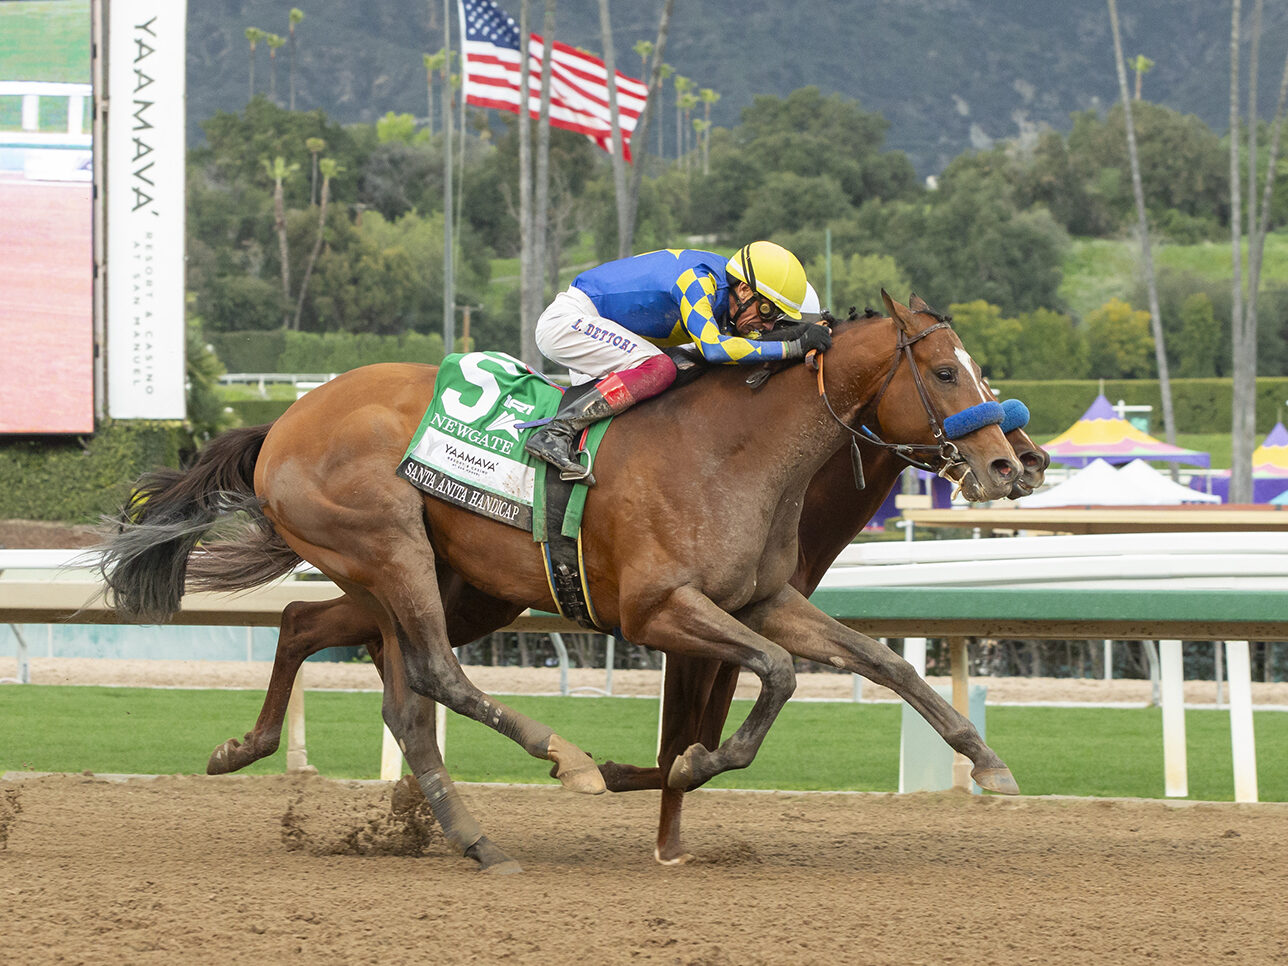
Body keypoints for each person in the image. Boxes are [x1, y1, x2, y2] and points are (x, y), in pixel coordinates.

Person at [524, 241, 832, 484]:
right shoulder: (697, 279)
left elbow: (742, 347)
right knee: (660, 368)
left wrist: (802, 331)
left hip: (601, 332)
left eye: (775, 319)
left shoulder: (728, 298)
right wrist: (792, 346)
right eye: (766, 313)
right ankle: (555, 433)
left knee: (680, 372)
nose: (766, 326)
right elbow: (714, 349)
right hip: (570, 321)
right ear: (743, 290)